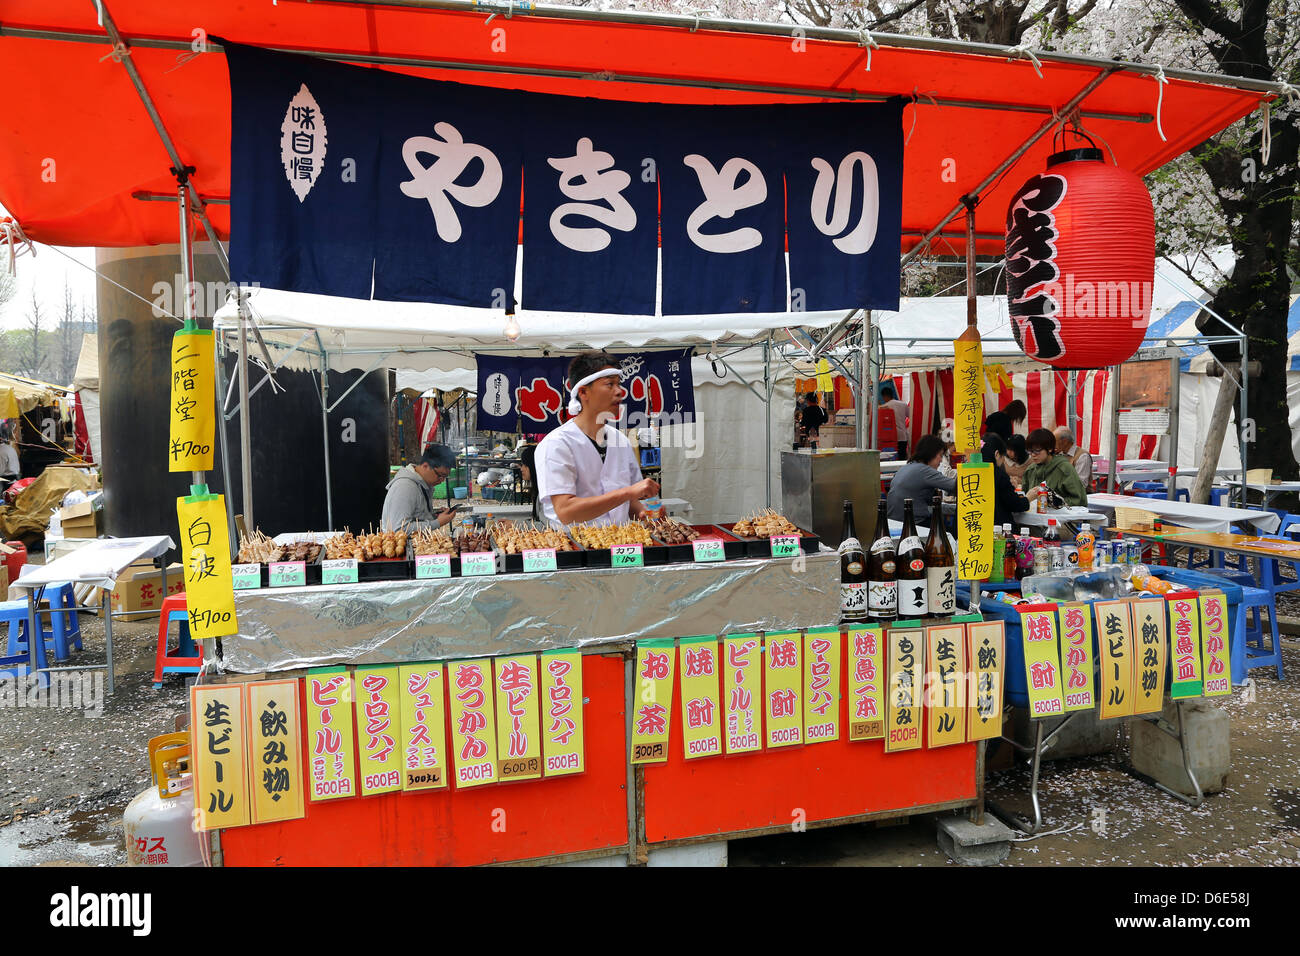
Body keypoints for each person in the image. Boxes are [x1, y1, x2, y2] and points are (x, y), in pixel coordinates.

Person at [536, 351, 659, 527]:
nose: (619, 392)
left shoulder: (620, 441)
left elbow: (631, 503)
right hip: (575, 547)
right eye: (609, 384)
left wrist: (645, 512)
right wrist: (627, 493)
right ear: (584, 392)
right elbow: (565, 511)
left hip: (620, 546)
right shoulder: (556, 444)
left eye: (619, 384)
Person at [381, 442, 459, 531]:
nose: (442, 480)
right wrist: (437, 523)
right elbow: (399, 529)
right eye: (440, 475)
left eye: (445, 477)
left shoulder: (423, 484)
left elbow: (416, 517)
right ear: (425, 466)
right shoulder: (405, 487)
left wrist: (434, 516)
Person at [886, 434, 957, 526]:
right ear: (931, 453)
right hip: (915, 523)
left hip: (893, 522)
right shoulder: (925, 471)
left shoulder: (905, 468)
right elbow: (956, 486)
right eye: (940, 455)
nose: (940, 460)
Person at [1023, 428, 1088, 507]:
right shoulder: (1030, 470)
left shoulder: (1064, 468)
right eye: (1030, 451)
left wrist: (1055, 503)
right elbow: (1024, 496)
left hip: (1062, 517)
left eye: (1037, 450)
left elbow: (1079, 499)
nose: (1033, 454)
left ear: (1050, 449)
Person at [980, 433, 1031, 527]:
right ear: (997, 454)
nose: (1003, 460)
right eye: (1003, 456)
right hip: (998, 529)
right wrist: (1028, 498)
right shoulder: (998, 474)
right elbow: (1015, 504)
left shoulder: (967, 470)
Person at [879, 384, 910, 458]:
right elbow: (910, 416)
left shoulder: (883, 407)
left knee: (892, 459)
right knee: (902, 458)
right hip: (902, 436)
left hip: (890, 438)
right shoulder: (903, 404)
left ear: (884, 396)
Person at [518, 442, 543, 522]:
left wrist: (515, 525)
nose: (521, 469)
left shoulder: (544, 494)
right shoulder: (538, 490)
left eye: (525, 465)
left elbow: (545, 526)